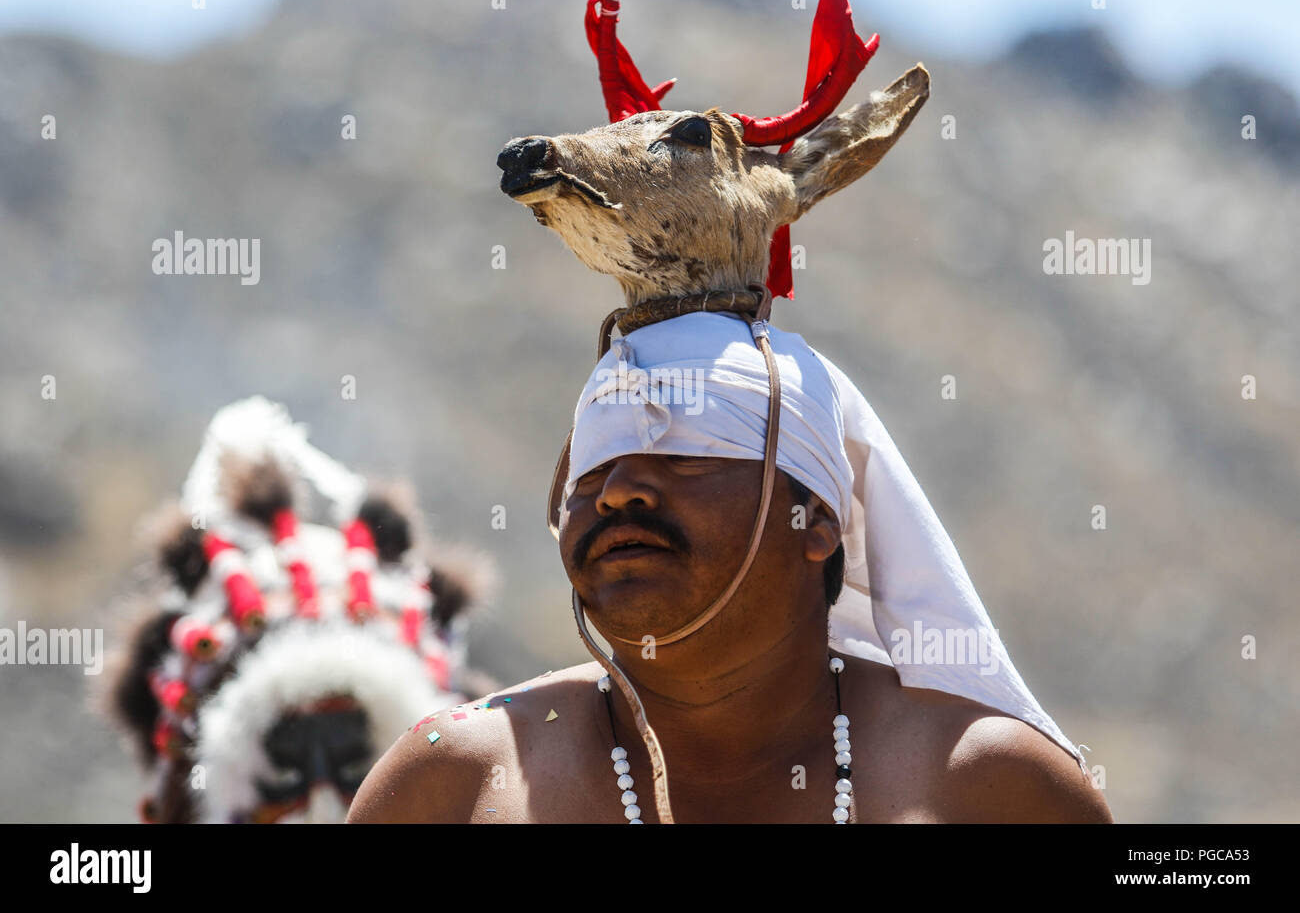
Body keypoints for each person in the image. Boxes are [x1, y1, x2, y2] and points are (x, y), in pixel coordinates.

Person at [349, 312, 1113, 823]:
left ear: (815, 522)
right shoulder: (448, 782)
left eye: (686, 456)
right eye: (592, 471)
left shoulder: (992, 787)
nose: (618, 492)